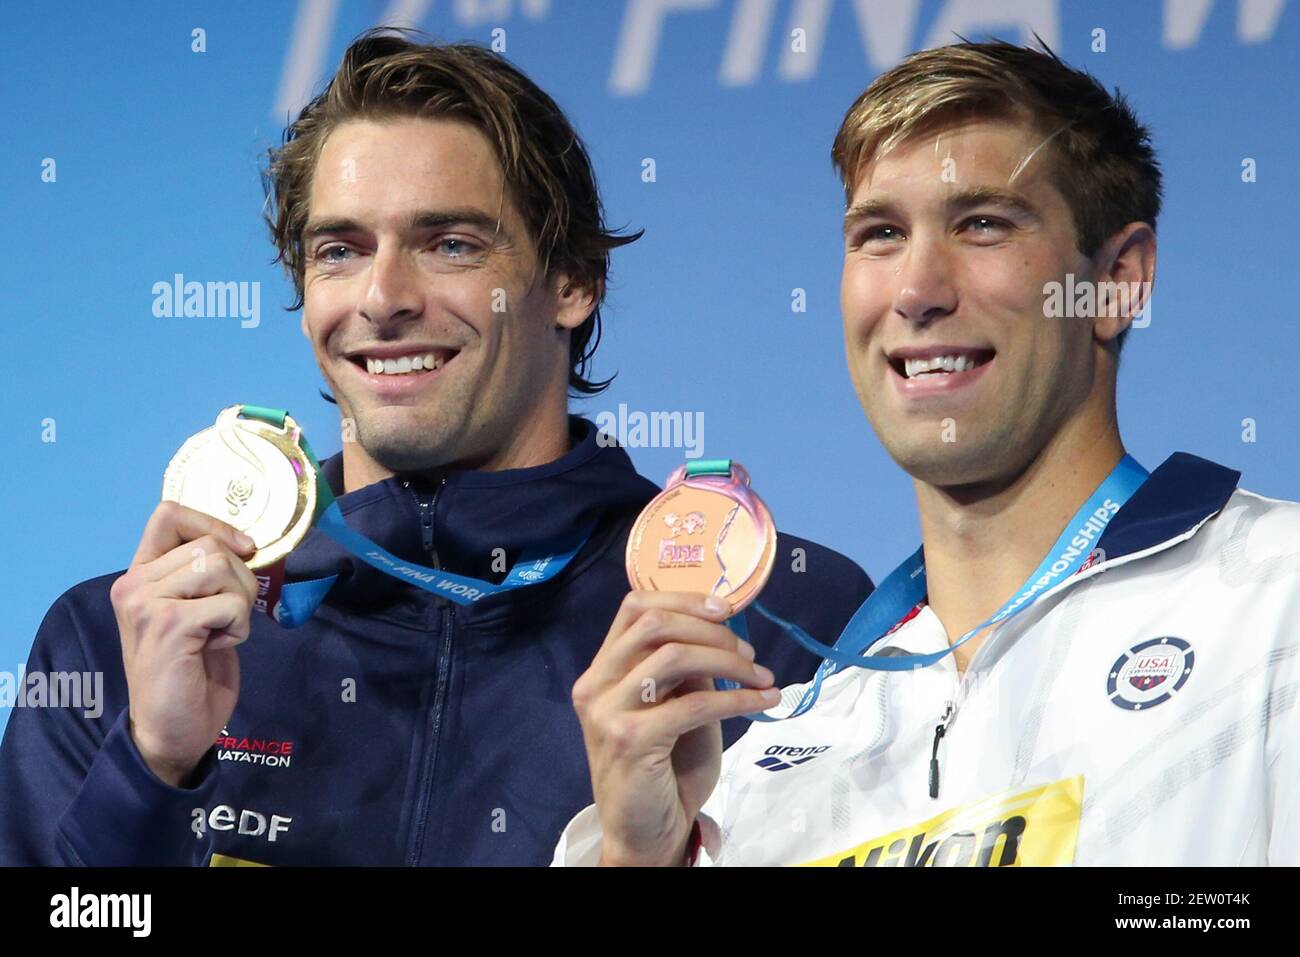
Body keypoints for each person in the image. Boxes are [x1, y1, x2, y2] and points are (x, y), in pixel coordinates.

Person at [0, 29, 871, 866]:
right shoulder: (118, 638)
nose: (382, 297)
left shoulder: (772, 620)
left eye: (449, 244)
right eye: (339, 250)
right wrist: (153, 771)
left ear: (571, 280)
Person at [557, 40, 1300, 867]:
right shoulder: (769, 762)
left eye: (982, 224)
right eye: (880, 233)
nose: (916, 290)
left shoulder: (1278, 603)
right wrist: (639, 854)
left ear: (1117, 281)